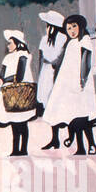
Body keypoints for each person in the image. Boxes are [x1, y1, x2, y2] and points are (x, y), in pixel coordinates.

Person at [42, 14, 96, 156]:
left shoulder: (84, 41)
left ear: (80, 27)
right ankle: (80, 147)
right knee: (74, 116)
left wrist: (82, 80)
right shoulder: (70, 43)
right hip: (67, 84)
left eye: (74, 26)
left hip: (80, 85)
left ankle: (91, 143)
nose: (72, 30)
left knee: (83, 115)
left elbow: (86, 61)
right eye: (69, 28)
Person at [0, 29, 36, 156]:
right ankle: (15, 149)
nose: (8, 46)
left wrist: (6, 80)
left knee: (21, 122)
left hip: (19, 91)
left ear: (18, 43)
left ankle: (23, 149)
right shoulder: (7, 58)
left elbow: (20, 75)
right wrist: (0, 79)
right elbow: (2, 72)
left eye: (10, 43)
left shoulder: (23, 55)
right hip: (8, 92)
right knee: (13, 122)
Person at [36, 10, 67, 150]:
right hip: (46, 72)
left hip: (56, 72)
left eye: (48, 25)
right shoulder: (44, 39)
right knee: (48, 103)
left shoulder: (62, 39)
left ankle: (66, 135)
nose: (47, 28)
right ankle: (54, 138)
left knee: (57, 103)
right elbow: (41, 58)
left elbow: (61, 58)